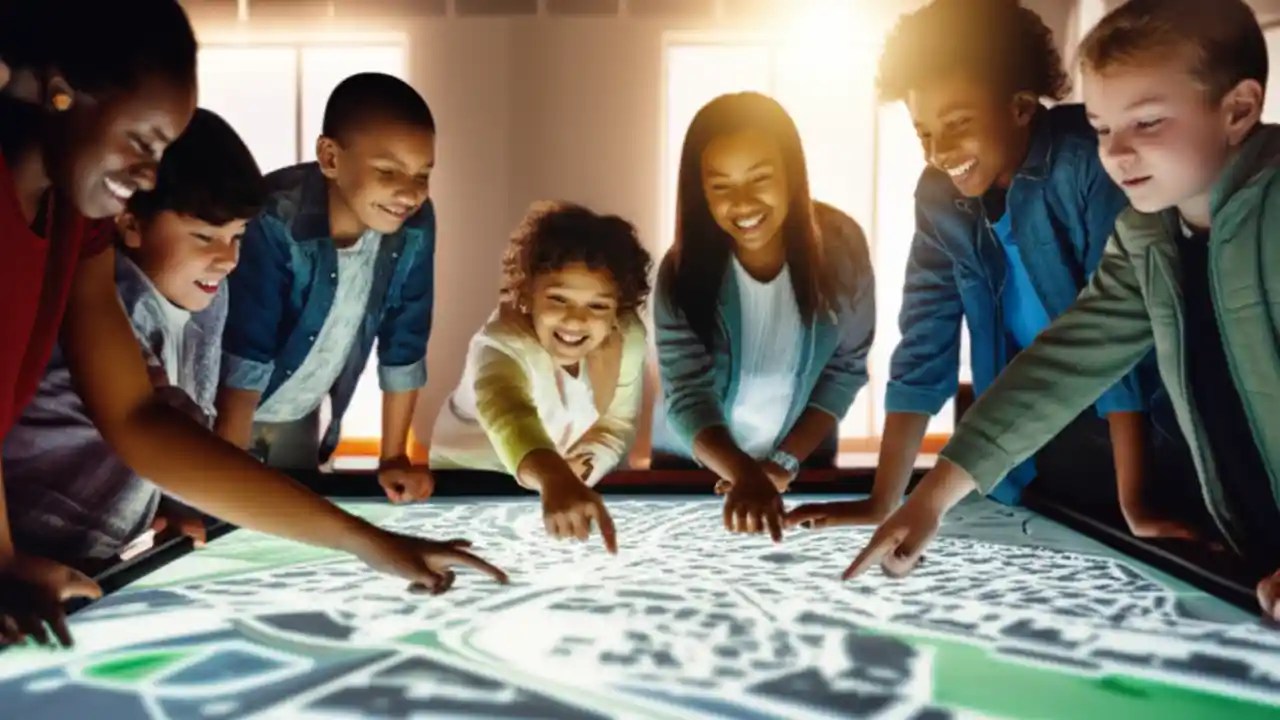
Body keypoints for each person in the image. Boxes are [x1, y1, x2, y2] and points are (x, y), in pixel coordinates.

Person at [0, 1, 505, 650]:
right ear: (61, 96)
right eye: (143, 141)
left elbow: (136, 417)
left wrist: (366, 540)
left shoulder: (83, 225)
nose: (152, 174)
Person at [843, 0, 1280, 621]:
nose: (1117, 154)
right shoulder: (1145, 239)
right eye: (1101, 128)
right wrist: (930, 500)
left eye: (1148, 123)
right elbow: (1063, 363)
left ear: (1237, 109)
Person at [787, 0, 1179, 541]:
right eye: (923, 131)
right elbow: (924, 345)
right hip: (1026, 427)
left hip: (1142, 432)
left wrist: (1135, 502)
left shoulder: (1087, 162)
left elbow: (1112, 341)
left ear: (1020, 106)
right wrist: (884, 498)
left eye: (957, 124)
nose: (939, 151)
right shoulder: (937, 198)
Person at [3, 108, 262, 572]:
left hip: (101, 545)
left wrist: (173, 502)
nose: (228, 258)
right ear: (129, 221)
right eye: (204, 235)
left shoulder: (209, 296)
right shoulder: (115, 302)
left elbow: (190, 412)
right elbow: (157, 423)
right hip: (30, 543)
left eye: (237, 236)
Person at [651, 92, 875, 543]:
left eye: (760, 178)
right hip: (694, 464)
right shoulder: (680, 272)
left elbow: (847, 367)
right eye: (721, 186)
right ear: (701, 193)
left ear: (792, 174)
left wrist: (781, 465)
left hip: (799, 460)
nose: (744, 203)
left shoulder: (842, 246)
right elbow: (687, 396)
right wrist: (742, 474)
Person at [216, 72, 437, 505]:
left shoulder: (416, 225)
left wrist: (392, 456)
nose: (409, 193)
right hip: (224, 410)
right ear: (330, 157)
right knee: (231, 515)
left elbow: (405, 340)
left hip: (301, 411)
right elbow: (245, 355)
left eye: (423, 174)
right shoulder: (275, 218)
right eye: (388, 170)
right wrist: (228, 477)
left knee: (296, 523)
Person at [431, 202, 652, 553]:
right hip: (467, 490)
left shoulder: (627, 339)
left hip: (556, 489)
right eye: (558, 299)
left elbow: (616, 426)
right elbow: (508, 412)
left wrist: (577, 475)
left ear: (618, 309)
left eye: (597, 306)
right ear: (527, 294)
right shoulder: (501, 344)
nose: (576, 320)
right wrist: (554, 476)